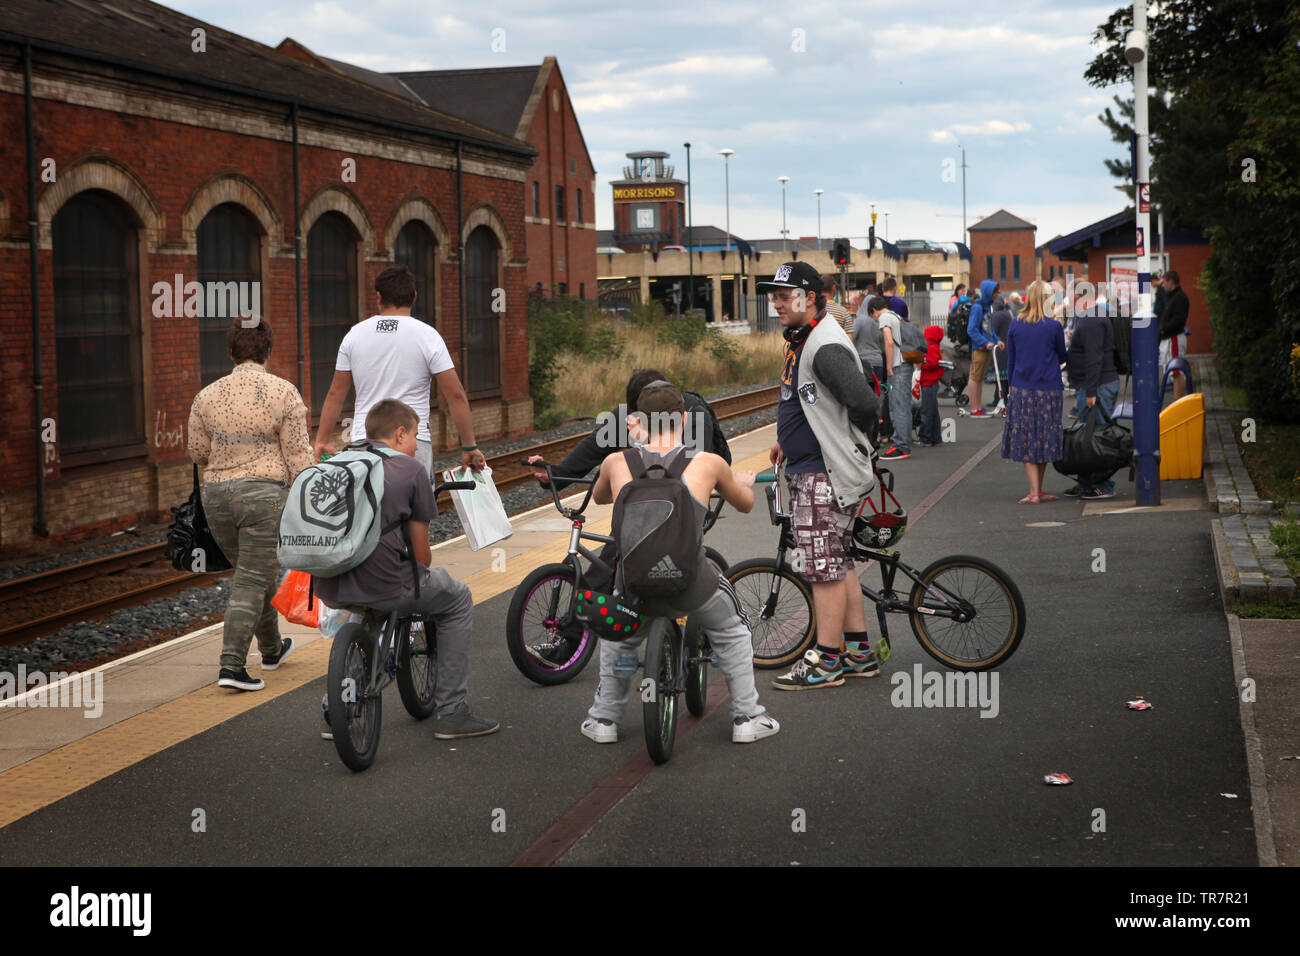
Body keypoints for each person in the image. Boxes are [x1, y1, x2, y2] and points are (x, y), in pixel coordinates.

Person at [580, 381, 779, 745]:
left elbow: (600, 497)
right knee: (733, 630)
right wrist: (743, 481)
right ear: (684, 419)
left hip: (633, 587)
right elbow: (745, 503)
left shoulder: (615, 462)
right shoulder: (708, 463)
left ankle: (603, 720)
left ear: (637, 419)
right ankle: (747, 716)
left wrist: (634, 447)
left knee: (619, 640)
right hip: (692, 586)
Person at [313, 399, 498, 739]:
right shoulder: (409, 469)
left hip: (332, 584)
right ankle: (453, 712)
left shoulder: (339, 461)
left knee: (366, 605)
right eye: (415, 436)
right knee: (456, 599)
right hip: (388, 584)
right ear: (400, 434)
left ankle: (339, 705)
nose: (416, 445)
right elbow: (421, 554)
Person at [760, 261, 881, 690]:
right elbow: (812, 405)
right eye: (773, 295)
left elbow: (864, 404)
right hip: (816, 467)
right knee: (840, 561)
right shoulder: (806, 337)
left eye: (783, 295)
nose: (776, 303)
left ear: (809, 297)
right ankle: (859, 652)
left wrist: (854, 445)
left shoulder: (823, 344)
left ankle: (827, 660)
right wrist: (787, 441)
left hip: (821, 475)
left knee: (823, 569)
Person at [188, 318, 313, 691]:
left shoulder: (205, 395)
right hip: (263, 497)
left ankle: (273, 649)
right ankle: (232, 666)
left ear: (230, 353)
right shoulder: (284, 392)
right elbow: (298, 458)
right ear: (268, 352)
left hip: (217, 498)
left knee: (252, 574)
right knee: (252, 580)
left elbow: (197, 453)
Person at [314, 265, 485, 477]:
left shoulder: (354, 335)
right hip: (413, 442)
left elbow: (335, 394)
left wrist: (322, 440)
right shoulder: (428, 336)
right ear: (414, 297)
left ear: (378, 297)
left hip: (365, 443)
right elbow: (456, 395)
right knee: (417, 508)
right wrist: (468, 446)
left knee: (370, 508)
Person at [1001, 280, 1068, 504]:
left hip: (1022, 388)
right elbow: (1062, 356)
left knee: (1027, 437)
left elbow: (1011, 359)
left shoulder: (1016, 324)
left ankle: (1034, 491)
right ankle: (1038, 489)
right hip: (1049, 389)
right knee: (1046, 437)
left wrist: (1010, 386)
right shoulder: (1053, 326)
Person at [1063, 298, 1120, 500]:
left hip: (1097, 386)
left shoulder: (1091, 319)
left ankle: (1102, 484)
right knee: (1088, 437)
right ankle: (1086, 482)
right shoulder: (1090, 318)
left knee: (1097, 437)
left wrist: (1090, 391)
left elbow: (1094, 357)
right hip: (1096, 384)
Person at [870, 296, 912, 461]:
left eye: (872, 316)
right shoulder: (897, 316)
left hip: (898, 366)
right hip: (906, 364)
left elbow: (888, 341)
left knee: (898, 407)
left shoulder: (884, 318)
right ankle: (902, 442)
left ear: (874, 310)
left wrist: (888, 365)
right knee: (903, 406)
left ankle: (901, 446)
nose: (874, 320)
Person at [852, 292, 888, 444]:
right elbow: (883, 345)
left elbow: (851, 338)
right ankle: (879, 430)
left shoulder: (860, 320)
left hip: (864, 363)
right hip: (878, 362)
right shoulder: (878, 322)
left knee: (864, 396)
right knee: (877, 396)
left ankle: (867, 431)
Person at [965, 279, 1004, 417]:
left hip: (987, 348)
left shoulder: (988, 307)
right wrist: (984, 342)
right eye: (995, 291)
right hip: (980, 349)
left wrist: (997, 340)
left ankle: (977, 407)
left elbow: (990, 329)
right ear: (988, 292)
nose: (996, 294)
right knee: (975, 377)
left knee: (980, 379)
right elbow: (972, 330)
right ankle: (974, 408)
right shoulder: (978, 307)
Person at [1157, 270, 1190, 400]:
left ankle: (1179, 403)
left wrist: (1163, 329)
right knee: (1172, 372)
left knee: (1177, 372)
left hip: (1173, 338)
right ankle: (1178, 403)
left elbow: (1178, 320)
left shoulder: (1179, 298)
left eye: (1164, 282)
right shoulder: (1173, 297)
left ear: (1171, 281)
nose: (1163, 285)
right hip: (1169, 338)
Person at [917, 324, 944, 446]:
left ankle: (925, 437)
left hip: (928, 382)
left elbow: (932, 364)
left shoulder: (931, 349)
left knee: (927, 411)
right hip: (932, 382)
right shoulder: (936, 347)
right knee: (933, 410)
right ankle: (936, 436)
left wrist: (921, 364)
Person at [987, 293, 1015, 406]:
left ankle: (1003, 400)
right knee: (1005, 378)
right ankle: (998, 399)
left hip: (1000, 348)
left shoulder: (996, 316)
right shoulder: (1007, 314)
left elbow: (993, 332)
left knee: (1001, 378)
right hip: (1008, 347)